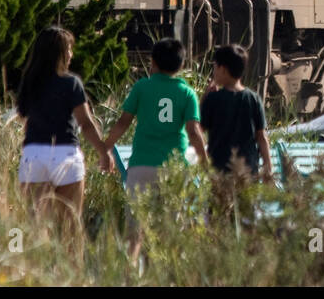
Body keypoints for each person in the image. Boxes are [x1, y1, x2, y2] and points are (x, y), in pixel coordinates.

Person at [15, 26, 114, 227]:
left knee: (35, 224)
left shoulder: (29, 81)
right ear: (58, 53)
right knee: (70, 226)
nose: (71, 54)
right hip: (65, 154)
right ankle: (71, 259)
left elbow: (23, 115)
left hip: (34, 154)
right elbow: (85, 123)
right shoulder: (71, 83)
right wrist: (103, 152)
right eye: (68, 49)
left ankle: (34, 259)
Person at [102, 38, 208, 195]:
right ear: (181, 65)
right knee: (171, 219)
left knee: (138, 218)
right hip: (174, 165)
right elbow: (193, 131)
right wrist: (205, 163)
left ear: (153, 62)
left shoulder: (141, 87)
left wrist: (106, 148)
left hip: (142, 163)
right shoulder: (187, 93)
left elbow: (123, 123)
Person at [200, 45, 273, 182]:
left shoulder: (213, 99)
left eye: (214, 67)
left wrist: (204, 98)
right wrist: (268, 167)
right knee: (246, 202)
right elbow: (261, 136)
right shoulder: (253, 98)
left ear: (223, 69)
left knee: (221, 203)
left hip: (220, 169)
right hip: (248, 169)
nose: (214, 71)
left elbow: (199, 129)